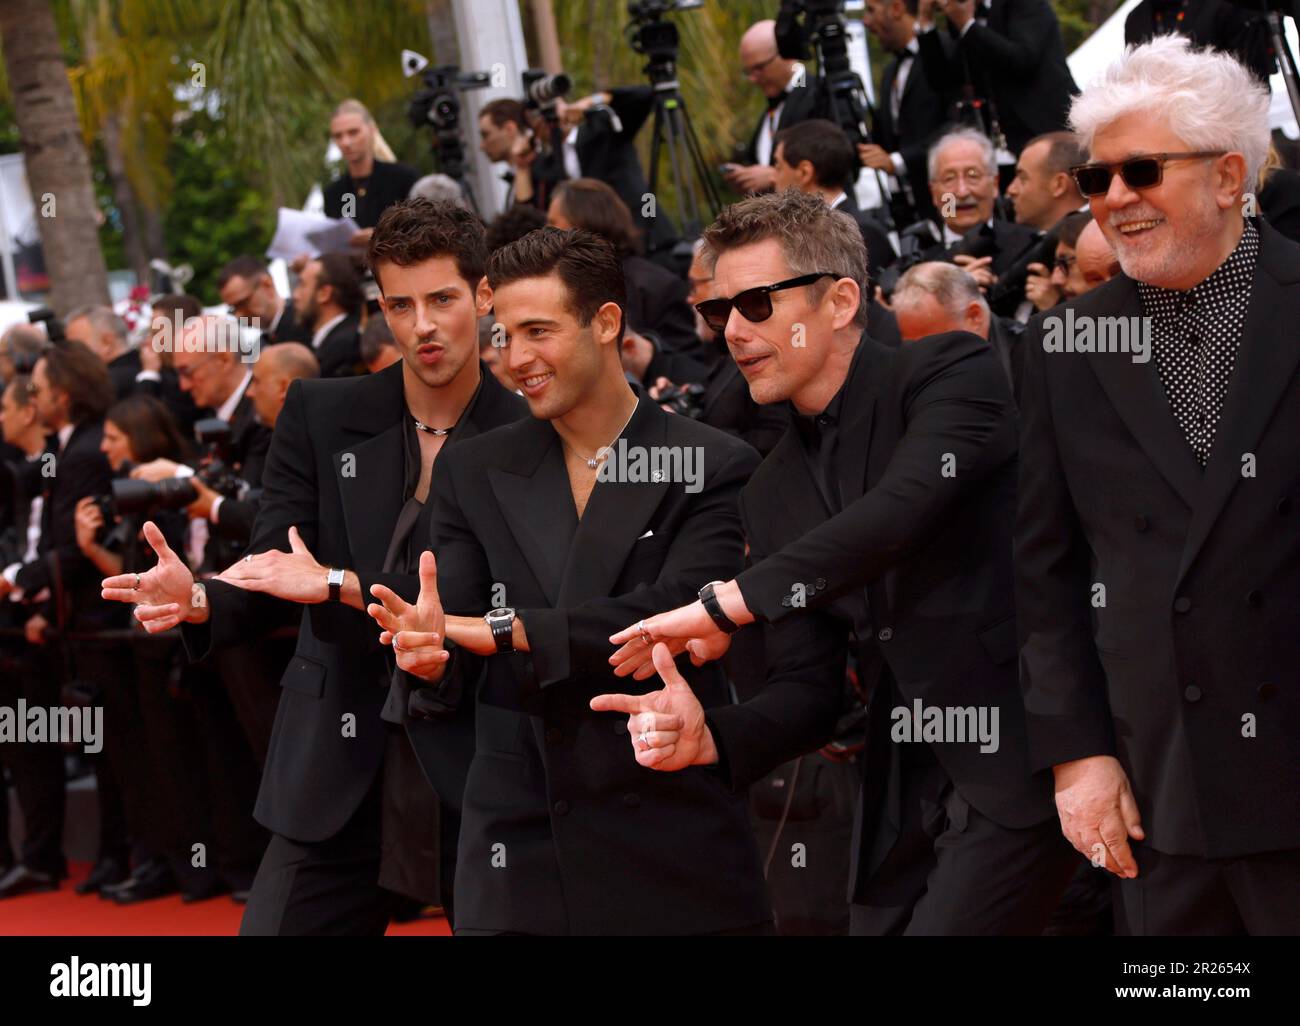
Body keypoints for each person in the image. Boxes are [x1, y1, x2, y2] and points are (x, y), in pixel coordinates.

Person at [593, 189, 1077, 935]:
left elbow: (896, 514)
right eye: (719, 313)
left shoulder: (947, 374)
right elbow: (810, 690)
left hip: (1029, 754)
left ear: (842, 300)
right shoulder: (772, 488)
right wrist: (715, 734)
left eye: (756, 303)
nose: (733, 333)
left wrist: (729, 603)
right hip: (901, 795)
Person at [103, 198, 528, 935]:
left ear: (484, 295)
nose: (422, 324)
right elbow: (276, 565)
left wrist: (338, 584)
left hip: (477, 760)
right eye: (400, 304)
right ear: (381, 308)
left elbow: (498, 602)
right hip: (337, 756)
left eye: (442, 299)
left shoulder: (529, 436)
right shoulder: (320, 414)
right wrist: (203, 598)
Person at [367, 226, 771, 935]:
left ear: (607, 323)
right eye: (504, 335)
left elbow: (672, 614)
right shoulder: (472, 468)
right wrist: (429, 662)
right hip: (517, 839)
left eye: (538, 332)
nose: (516, 358)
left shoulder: (711, 461)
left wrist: (500, 631)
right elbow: (450, 632)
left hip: (667, 826)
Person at [1016, 35, 1299, 934]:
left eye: (1142, 171)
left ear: (1228, 176)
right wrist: (1077, 757)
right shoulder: (1067, 345)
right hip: (1161, 803)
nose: (1114, 201)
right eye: (1097, 180)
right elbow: (1045, 574)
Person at [1, 342, 124, 898]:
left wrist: (26, 588)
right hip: (67, 621)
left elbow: (76, 549)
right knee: (100, 748)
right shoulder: (62, 451)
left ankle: (126, 855)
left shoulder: (86, 452)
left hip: (97, 619)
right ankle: (117, 855)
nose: (34, 396)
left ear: (63, 392)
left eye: (40, 387)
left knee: (115, 749)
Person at [0, 375, 68, 898]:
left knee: (31, 743)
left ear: (29, 410)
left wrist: (18, 584)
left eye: (5, 406)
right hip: (19, 621)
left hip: (41, 628)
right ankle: (29, 857)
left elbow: (49, 547)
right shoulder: (23, 470)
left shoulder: (53, 462)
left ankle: (43, 859)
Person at [547, 178, 698, 357]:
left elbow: (689, 364)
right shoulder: (554, 285)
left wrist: (646, 356)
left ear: (581, 223)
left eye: (553, 223)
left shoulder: (655, 286)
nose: (546, 231)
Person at [915, 0, 1077, 156]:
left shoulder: (1025, 4)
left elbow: (1023, 59)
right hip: (999, 140)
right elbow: (944, 81)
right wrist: (926, 23)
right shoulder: (965, 14)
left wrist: (967, 26)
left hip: (1047, 128)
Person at [860, 0, 955, 224]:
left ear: (897, 9)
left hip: (949, 199)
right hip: (909, 210)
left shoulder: (945, 52)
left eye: (871, 10)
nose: (866, 21)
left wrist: (898, 161)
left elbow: (955, 126)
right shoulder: (890, 71)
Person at [772, 119, 899, 278]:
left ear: (804, 172)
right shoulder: (802, 233)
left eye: (778, 166)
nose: (773, 178)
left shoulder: (862, 234)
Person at [729, 19, 818, 195]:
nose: (753, 79)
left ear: (787, 54)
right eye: (748, 72)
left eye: (759, 68)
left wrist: (773, 176)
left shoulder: (816, 95)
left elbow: (832, 166)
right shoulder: (773, 106)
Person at [322, 99, 419, 246]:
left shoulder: (403, 179)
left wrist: (379, 236)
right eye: (338, 136)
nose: (346, 142)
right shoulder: (334, 193)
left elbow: (421, 231)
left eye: (353, 132)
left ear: (372, 130)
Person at [1125, 0, 1273, 84]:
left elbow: (1256, 79)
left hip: (1228, 121)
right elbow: (1135, 82)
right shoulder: (1136, 20)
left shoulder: (1226, 6)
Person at [292, 253, 364, 377]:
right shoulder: (334, 343)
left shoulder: (342, 350)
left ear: (324, 294)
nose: (295, 295)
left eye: (302, 285)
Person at [217, 256, 312, 348]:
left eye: (243, 303)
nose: (238, 315)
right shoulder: (262, 345)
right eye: (233, 309)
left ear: (267, 285)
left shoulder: (308, 324)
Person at [1006, 132, 1086, 233]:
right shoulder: (1048, 243)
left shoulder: (1092, 243)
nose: (1011, 190)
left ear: (1059, 185)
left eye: (1023, 178)